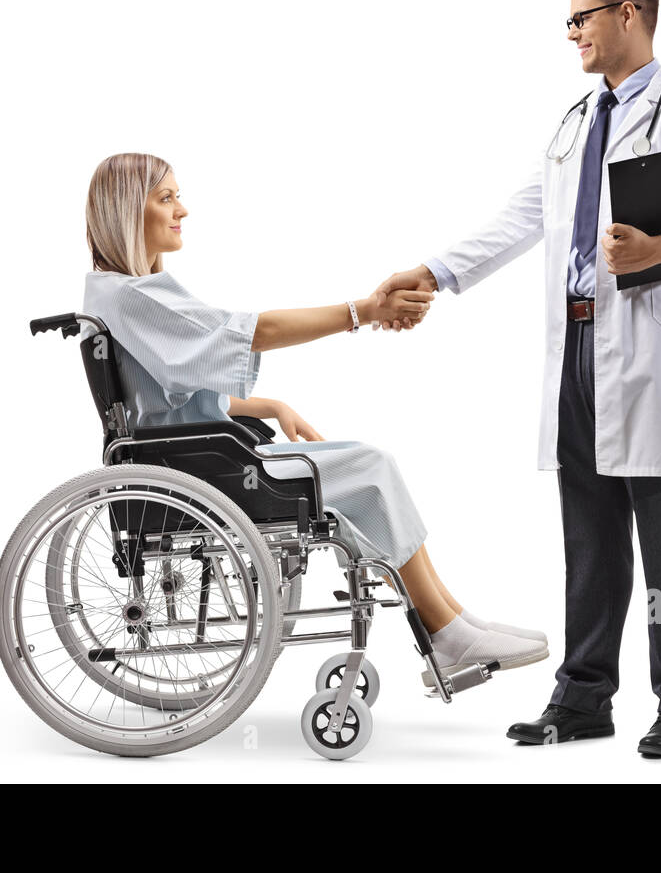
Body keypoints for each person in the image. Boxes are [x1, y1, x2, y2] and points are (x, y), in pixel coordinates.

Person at [374, 0, 661, 754]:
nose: (573, 33)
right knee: (589, 536)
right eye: (570, 20)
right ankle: (585, 695)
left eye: (583, 17)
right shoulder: (575, 122)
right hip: (580, 346)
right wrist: (437, 272)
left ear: (630, 14)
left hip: (650, 350)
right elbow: (524, 215)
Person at [77, 151, 550, 682]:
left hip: (190, 457)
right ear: (124, 210)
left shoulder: (118, 294)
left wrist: (272, 406)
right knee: (369, 466)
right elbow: (257, 332)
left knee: (364, 472)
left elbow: (175, 391)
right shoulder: (137, 295)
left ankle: (453, 623)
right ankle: (448, 631)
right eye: (166, 198)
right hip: (197, 470)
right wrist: (362, 312)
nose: (182, 209)